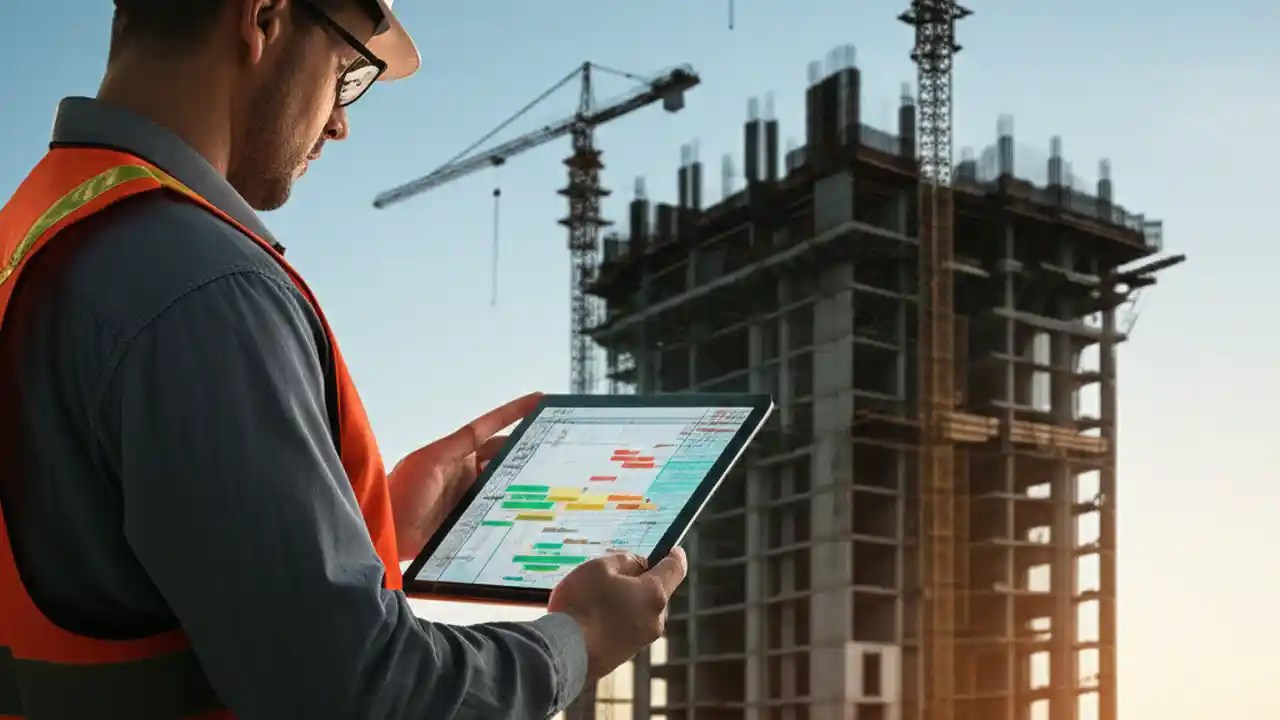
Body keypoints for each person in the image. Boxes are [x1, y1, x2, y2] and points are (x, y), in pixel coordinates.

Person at [0, 1, 687, 718]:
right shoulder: (203, 287)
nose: (339, 122)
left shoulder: (36, 234)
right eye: (347, 70)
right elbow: (360, 692)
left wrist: (370, 522)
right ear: (262, 17)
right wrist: (580, 638)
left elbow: (103, 554)